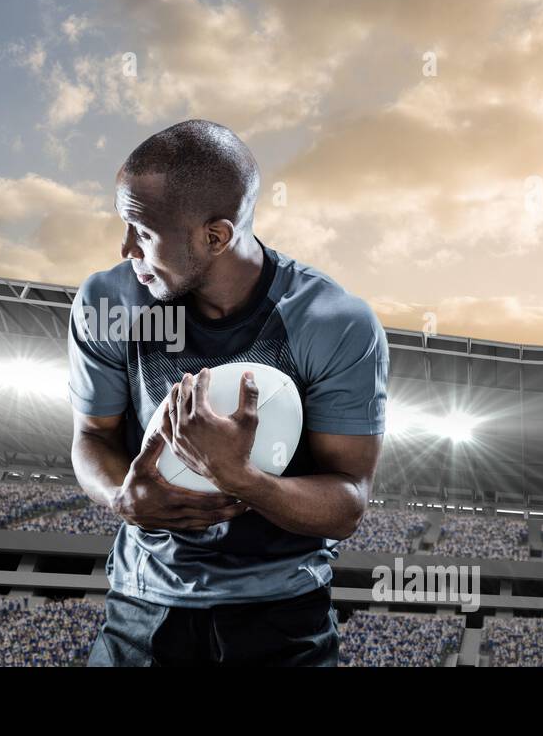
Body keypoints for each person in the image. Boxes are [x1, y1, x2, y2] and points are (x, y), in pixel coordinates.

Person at [68, 119, 389, 666]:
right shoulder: (110, 302)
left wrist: (239, 478)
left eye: (142, 233)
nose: (126, 250)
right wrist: (120, 497)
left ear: (215, 236)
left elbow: (346, 504)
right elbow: (91, 436)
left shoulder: (332, 322)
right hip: (142, 609)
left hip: (283, 615)